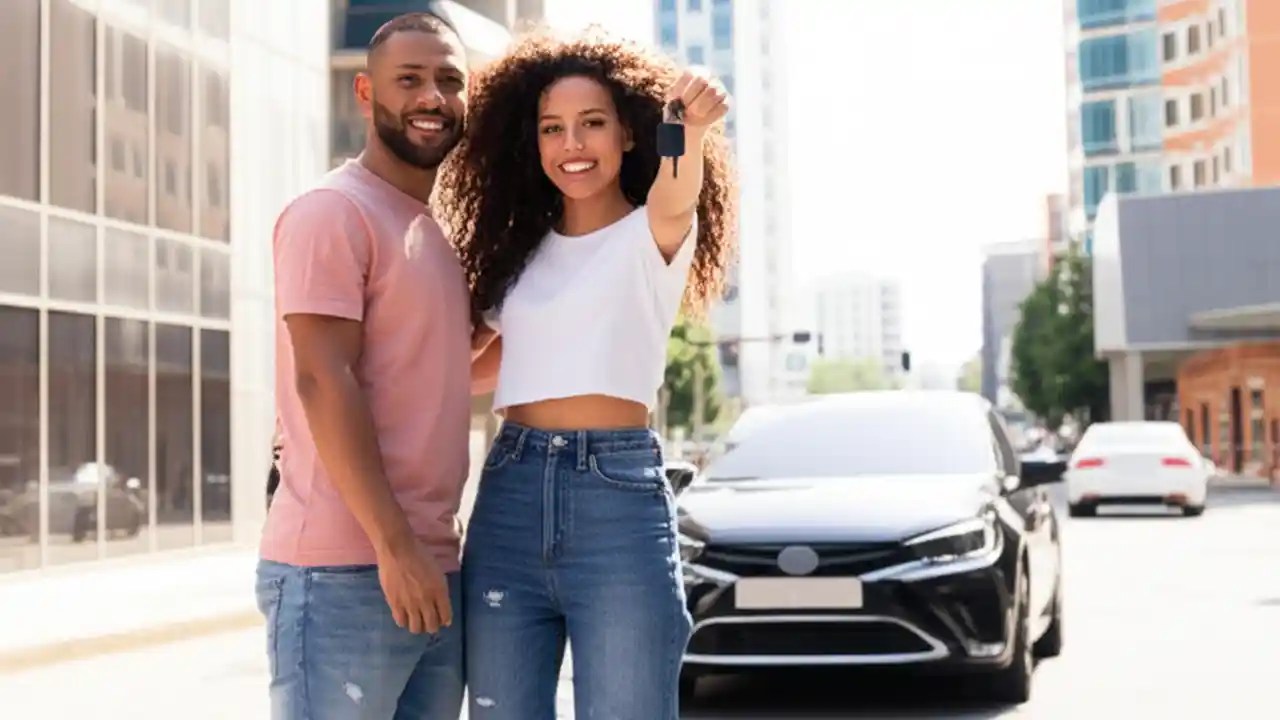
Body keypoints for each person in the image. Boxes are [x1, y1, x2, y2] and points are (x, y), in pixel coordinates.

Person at [435, 26, 737, 719]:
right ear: (532, 142)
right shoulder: (517, 256)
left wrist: (683, 127)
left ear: (627, 135)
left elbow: (676, 190)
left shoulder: (650, 234)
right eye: (553, 129)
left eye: (592, 124)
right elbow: (466, 373)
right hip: (511, 490)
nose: (572, 145)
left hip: (617, 500)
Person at [256, 13, 495, 719]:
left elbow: (442, 376)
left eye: (449, 81)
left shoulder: (433, 235)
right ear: (366, 93)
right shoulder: (334, 212)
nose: (432, 97)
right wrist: (395, 546)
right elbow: (322, 378)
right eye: (410, 80)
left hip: (434, 569)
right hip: (343, 572)